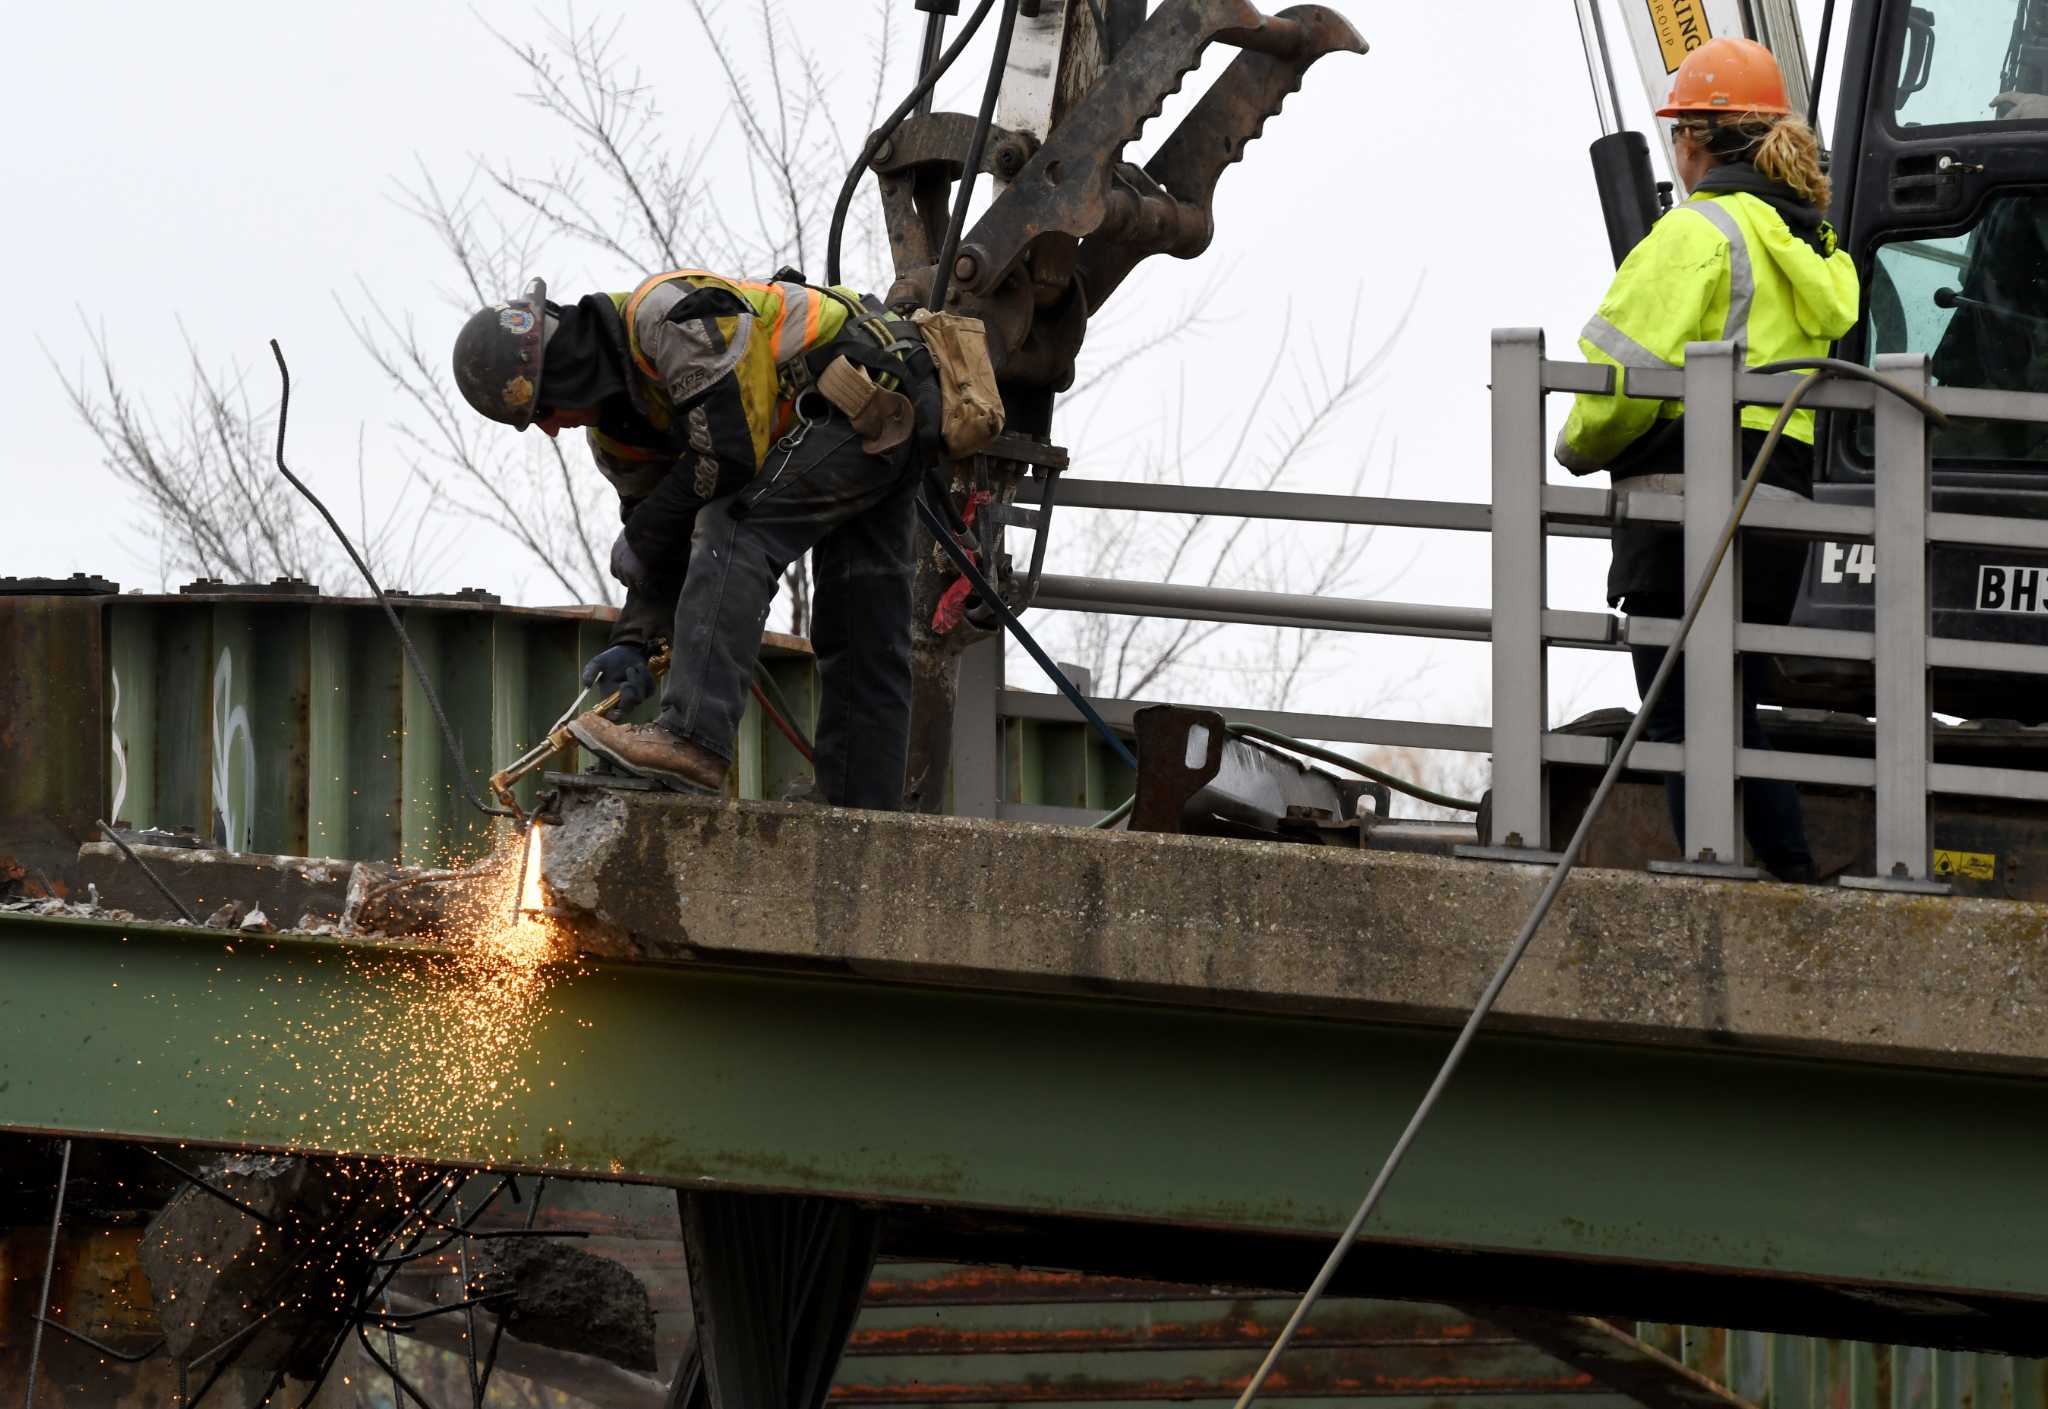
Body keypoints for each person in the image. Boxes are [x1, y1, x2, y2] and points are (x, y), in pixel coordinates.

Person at [451, 269, 934, 809]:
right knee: (861, 618)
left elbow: (729, 454)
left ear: (567, 373)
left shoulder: (671, 318)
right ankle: (860, 812)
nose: (549, 429)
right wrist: (633, 639)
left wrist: (648, 529)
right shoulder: (618, 437)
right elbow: (662, 542)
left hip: (876, 386)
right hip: (867, 422)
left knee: (737, 526)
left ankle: (692, 740)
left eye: (540, 411)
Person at [1554, 36, 1860, 883]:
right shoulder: (1813, 249)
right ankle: (1791, 874)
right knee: (1727, 711)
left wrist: (1576, 442)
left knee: (1681, 719)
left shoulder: (1694, 233)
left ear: (1696, 138)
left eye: (1679, 134)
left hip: (1683, 514)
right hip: (1775, 517)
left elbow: (1621, 383)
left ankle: (1718, 871)